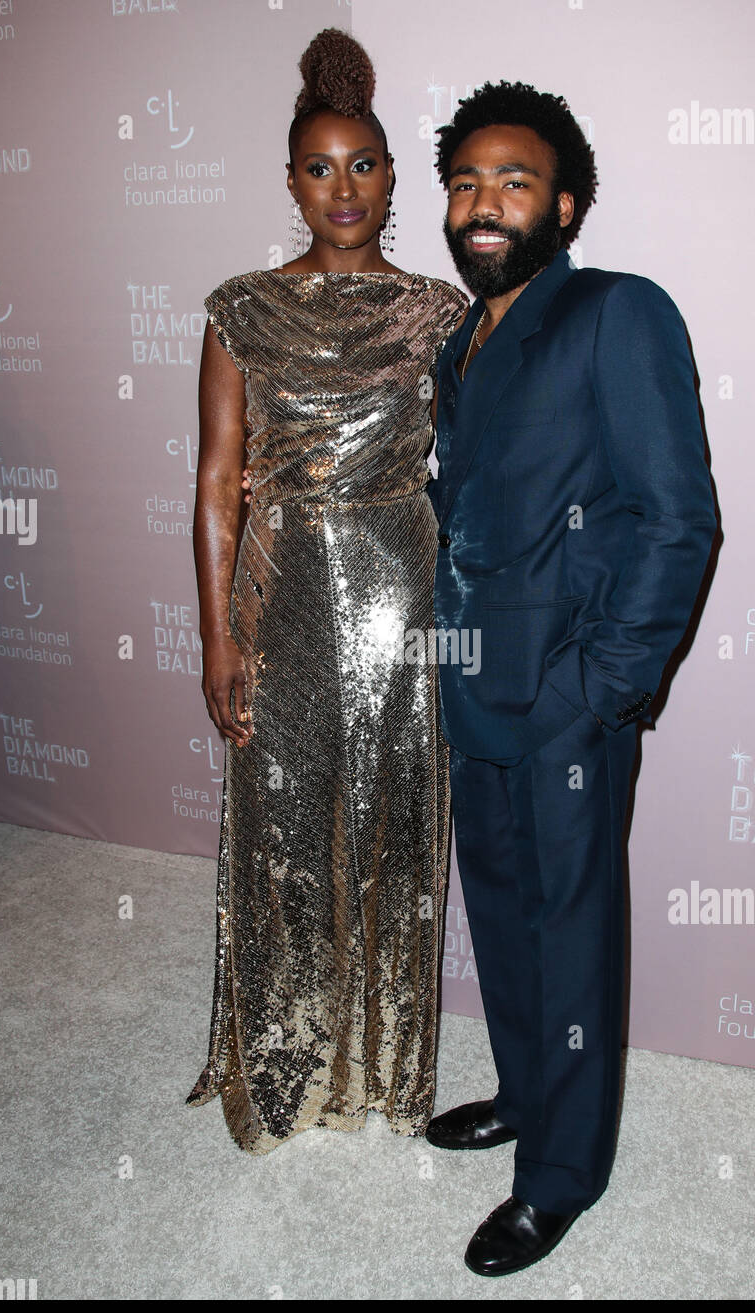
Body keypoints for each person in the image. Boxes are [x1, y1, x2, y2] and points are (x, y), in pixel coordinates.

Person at [423, 80, 718, 1275]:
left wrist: (599, 688)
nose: (482, 204)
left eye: (513, 182)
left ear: (567, 204)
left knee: (571, 926)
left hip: (565, 697)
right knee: (499, 908)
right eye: (464, 182)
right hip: (472, 684)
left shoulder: (616, 312)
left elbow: (676, 518)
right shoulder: (460, 337)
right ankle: (524, 1088)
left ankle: (562, 1172)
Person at [185, 28, 469, 1155]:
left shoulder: (440, 314)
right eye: (319, 167)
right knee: (284, 825)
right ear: (290, 180)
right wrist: (218, 640)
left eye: (363, 165)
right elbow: (215, 484)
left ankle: (381, 1057)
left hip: (406, 598)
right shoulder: (240, 309)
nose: (341, 188)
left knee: (395, 832)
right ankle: (284, 1055)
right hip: (284, 591)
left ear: (392, 179)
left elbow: (482, 475)